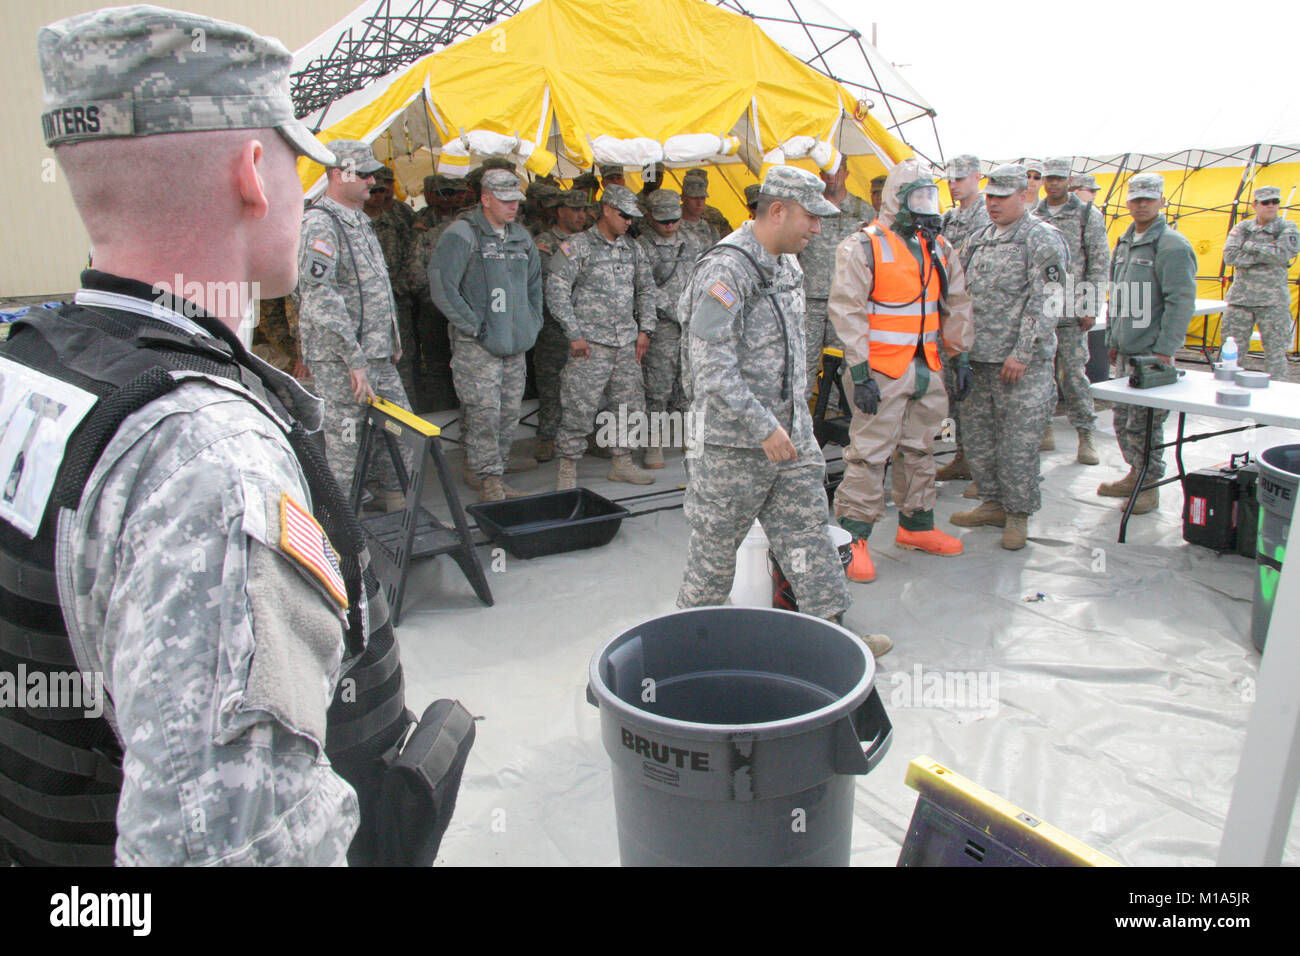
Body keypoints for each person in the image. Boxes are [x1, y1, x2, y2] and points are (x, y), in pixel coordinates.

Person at [1, 6, 371, 866]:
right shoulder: (210, 461)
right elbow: (216, 848)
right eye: (295, 162)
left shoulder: (32, 367)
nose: (305, 188)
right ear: (252, 169)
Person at [676, 165, 891, 658]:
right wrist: (762, 426)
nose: (817, 228)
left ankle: (836, 637)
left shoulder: (788, 264)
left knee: (808, 539)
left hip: (792, 440)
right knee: (713, 554)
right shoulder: (726, 270)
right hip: (734, 446)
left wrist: (793, 425)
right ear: (778, 211)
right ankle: (687, 650)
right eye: (810, 217)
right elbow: (711, 367)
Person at [828, 159, 974, 582]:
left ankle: (917, 526)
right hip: (880, 373)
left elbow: (957, 303)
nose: (928, 206)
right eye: (918, 197)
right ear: (897, 199)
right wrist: (859, 371)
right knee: (869, 453)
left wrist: (960, 355)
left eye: (932, 196)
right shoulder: (863, 246)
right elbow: (848, 310)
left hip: (926, 366)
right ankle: (853, 538)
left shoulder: (940, 248)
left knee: (921, 448)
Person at [950, 164, 1068, 550]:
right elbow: (960, 292)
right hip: (978, 358)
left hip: (1019, 364)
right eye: (990, 195)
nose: (994, 202)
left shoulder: (1042, 239)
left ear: (1024, 196)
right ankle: (992, 503)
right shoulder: (980, 237)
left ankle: (1018, 514)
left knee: (1018, 443)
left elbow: (1047, 300)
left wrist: (1022, 351)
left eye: (1002, 196)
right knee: (979, 438)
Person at [298, 140, 414, 509]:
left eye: (373, 173)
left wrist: (391, 338)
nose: (372, 180)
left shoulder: (360, 220)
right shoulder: (320, 223)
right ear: (337, 174)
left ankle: (396, 504)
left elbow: (375, 284)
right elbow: (320, 296)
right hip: (343, 361)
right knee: (346, 443)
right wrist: (354, 358)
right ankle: (341, 527)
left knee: (402, 433)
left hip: (376, 354)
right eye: (362, 173)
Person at [429, 170, 543, 501]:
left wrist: (530, 323)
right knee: (483, 413)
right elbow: (442, 286)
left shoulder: (521, 237)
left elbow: (535, 286)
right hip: (477, 346)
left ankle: (495, 471)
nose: (513, 207)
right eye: (505, 201)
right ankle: (488, 480)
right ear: (485, 199)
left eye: (516, 201)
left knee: (508, 413)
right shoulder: (462, 234)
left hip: (514, 343)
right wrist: (474, 326)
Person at [546, 184, 657, 489]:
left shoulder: (632, 249)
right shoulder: (576, 246)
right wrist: (574, 333)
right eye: (624, 215)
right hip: (590, 346)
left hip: (625, 344)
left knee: (629, 406)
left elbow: (646, 290)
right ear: (607, 209)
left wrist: (645, 329)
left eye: (633, 217)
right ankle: (567, 471)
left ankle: (622, 463)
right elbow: (556, 290)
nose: (629, 222)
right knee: (578, 407)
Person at [1098, 173, 1197, 514]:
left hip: (1151, 354)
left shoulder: (1172, 245)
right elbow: (1119, 295)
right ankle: (1135, 473)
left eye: (1148, 199)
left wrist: (1165, 350)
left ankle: (1149, 485)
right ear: (1128, 202)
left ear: (1161, 202)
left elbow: (1180, 301)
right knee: (1124, 420)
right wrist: (1112, 338)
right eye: (1136, 198)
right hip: (1126, 350)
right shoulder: (1125, 241)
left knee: (1146, 424)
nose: (1141, 205)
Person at [1034, 156, 1109, 464]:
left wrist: (1091, 305)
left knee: (1074, 375)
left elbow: (1099, 261)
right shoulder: (1033, 214)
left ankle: (1085, 433)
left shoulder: (1086, 214)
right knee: (1040, 373)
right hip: (1041, 309)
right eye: (1048, 178)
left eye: (1059, 178)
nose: (1053, 184)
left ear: (1069, 181)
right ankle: (1045, 426)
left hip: (1072, 309)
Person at [797, 159, 875, 403]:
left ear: (846, 173)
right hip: (809, 299)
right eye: (825, 173)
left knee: (843, 364)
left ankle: (831, 415)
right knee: (803, 362)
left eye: (835, 172)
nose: (830, 178)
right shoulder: (808, 206)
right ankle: (799, 419)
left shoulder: (863, 212)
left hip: (845, 302)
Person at [635, 189, 702, 467]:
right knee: (658, 387)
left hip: (692, 326)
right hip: (661, 327)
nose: (670, 226)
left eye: (674, 220)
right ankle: (655, 442)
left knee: (691, 384)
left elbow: (705, 277)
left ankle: (691, 437)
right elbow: (644, 287)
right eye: (664, 222)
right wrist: (675, 312)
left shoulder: (692, 241)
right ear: (650, 217)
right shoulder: (642, 246)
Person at [935, 153, 991, 484]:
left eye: (959, 178)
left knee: (976, 395)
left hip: (977, 315)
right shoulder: (947, 219)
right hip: (946, 314)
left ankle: (982, 467)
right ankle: (959, 455)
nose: (953, 184)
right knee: (950, 392)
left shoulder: (990, 217)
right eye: (950, 179)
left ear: (977, 178)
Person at [531, 190, 592, 462]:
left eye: (584, 210)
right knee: (551, 385)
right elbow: (545, 285)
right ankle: (547, 437)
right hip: (554, 328)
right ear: (559, 212)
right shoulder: (545, 242)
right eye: (575, 210)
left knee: (585, 386)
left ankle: (584, 436)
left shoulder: (590, 241)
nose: (582, 216)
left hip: (587, 324)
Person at [1221, 184, 1298, 383]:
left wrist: (1250, 247)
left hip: (1273, 302)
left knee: (1276, 356)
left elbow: (1283, 254)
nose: (1271, 206)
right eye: (1266, 202)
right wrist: (1264, 254)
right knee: (1231, 354)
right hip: (1241, 300)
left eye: (1275, 202)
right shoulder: (1243, 228)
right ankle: (1229, 395)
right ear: (1255, 205)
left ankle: (1275, 404)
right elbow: (1230, 256)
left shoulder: (1287, 228)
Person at [364, 165, 418, 401]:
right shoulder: (355, 223)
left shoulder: (397, 219)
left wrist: (403, 286)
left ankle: (409, 412)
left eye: (384, 190)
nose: (380, 196)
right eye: (374, 190)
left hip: (397, 301)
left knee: (404, 358)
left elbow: (411, 253)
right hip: (366, 307)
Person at [679, 171, 721, 250]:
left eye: (702, 198)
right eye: (694, 198)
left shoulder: (711, 230)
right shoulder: (671, 227)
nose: (699, 203)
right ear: (683, 198)